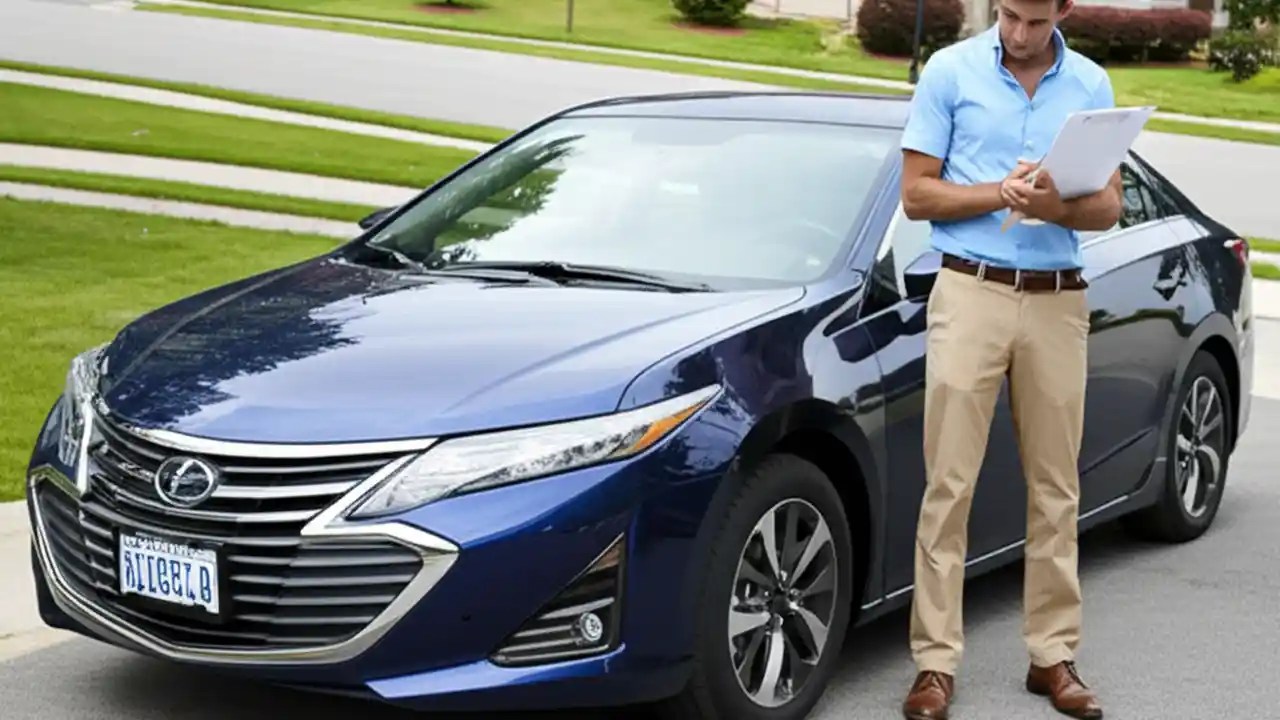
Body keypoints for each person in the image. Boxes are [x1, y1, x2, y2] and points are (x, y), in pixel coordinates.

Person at [896, 0, 1124, 718]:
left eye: (1034, 20)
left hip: (1058, 301)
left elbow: (1109, 205)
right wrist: (1002, 192)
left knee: (1056, 487)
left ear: (1063, 10)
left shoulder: (1089, 86)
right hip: (970, 291)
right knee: (949, 487)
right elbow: (916, 194)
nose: (1019, 34)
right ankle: (935, 665)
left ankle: (1052, 656)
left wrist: (1057, 206)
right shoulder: (949, 71)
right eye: (1008, 15)